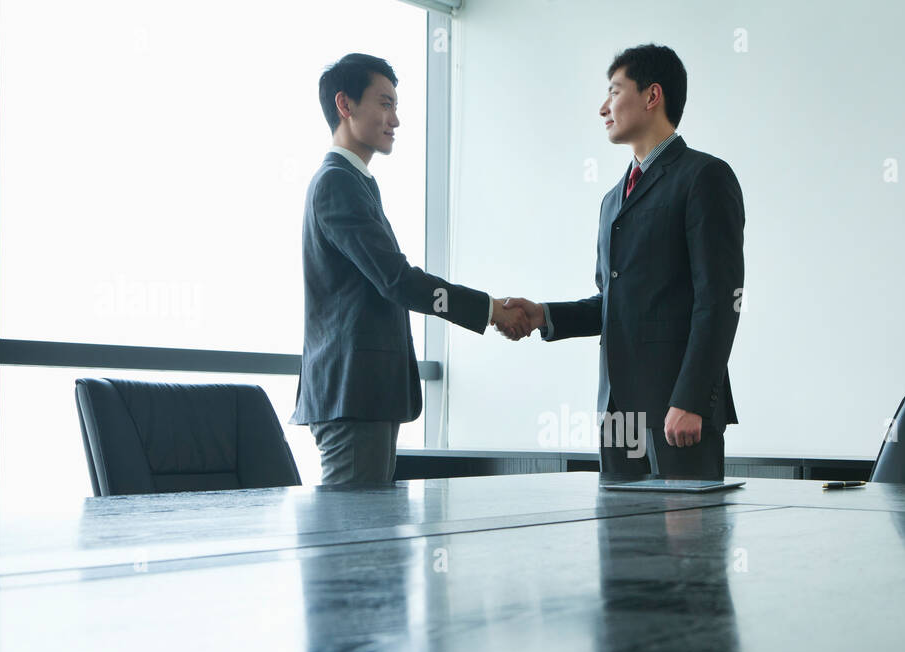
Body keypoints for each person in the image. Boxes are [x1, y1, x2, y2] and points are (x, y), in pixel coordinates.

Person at [501, 44, 745, 481]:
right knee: (619, 547)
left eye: (614, 91)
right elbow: (614, 303)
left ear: (652, 96)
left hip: (678, 413)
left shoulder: (703, 177)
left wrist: (690, 398)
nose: (603, 108)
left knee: (688, 549)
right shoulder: (612, 200)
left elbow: (720, 299)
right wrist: (544, 316)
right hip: (618, 416)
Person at [290, 53, 525, 484]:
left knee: (366, 538)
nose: (395, 119)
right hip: (351, 395)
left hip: (362, 396)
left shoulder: (355, 182)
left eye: (395, 106)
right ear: (345, 105)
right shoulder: (337, 182)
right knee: (355, 539)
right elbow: (396, 280)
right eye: (384, 104)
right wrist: (490, 309)